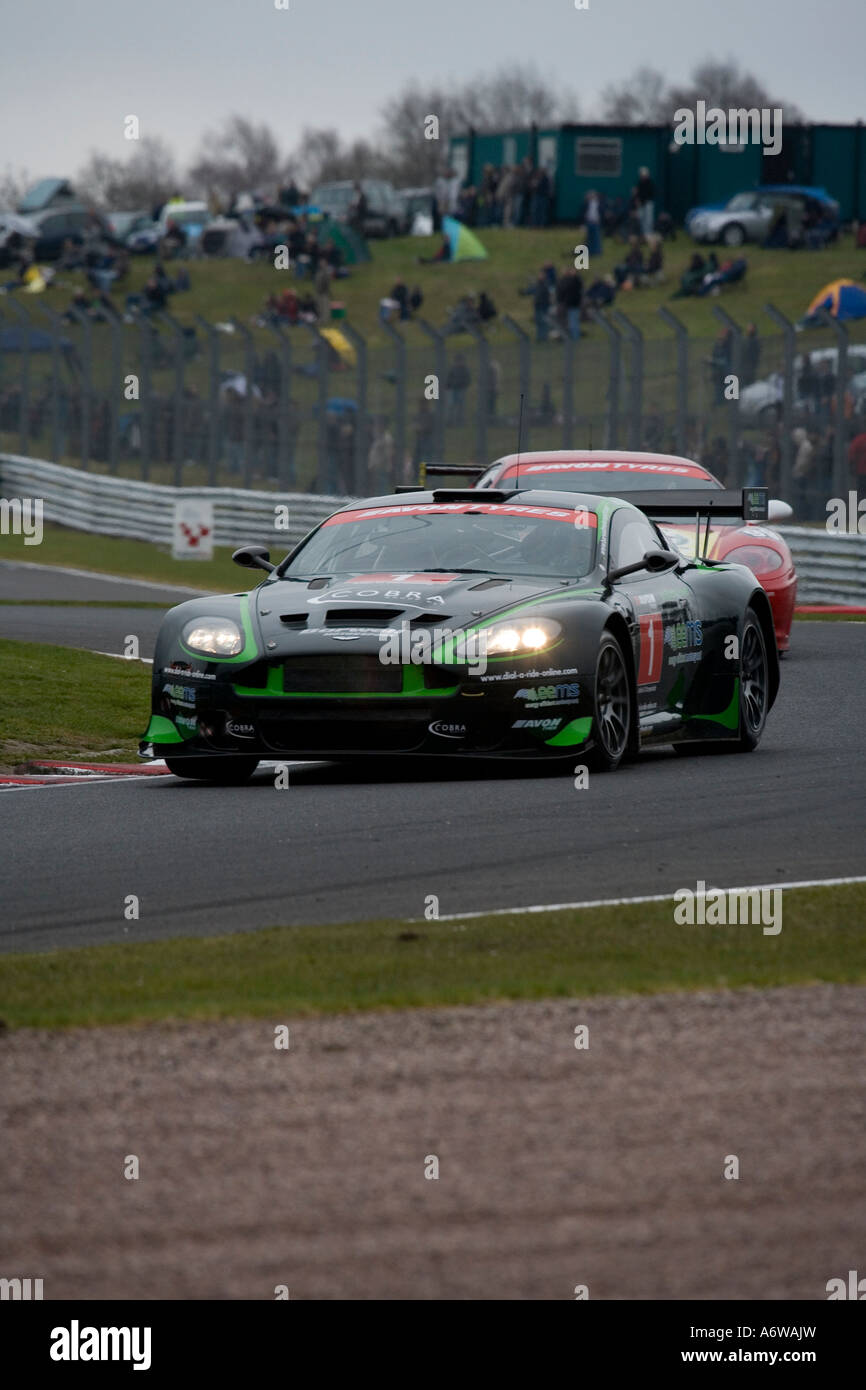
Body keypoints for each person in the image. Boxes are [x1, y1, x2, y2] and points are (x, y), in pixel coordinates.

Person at [556, 268, 583, 340]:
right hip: (568, 305)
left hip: (574, 305)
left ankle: (575, 339)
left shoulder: (576, 281)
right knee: (569, 323)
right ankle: (569, 338)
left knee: (574, 324)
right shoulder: (569, 280)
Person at [446, 353, 471, 425]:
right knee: (451, 406)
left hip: (461, 389)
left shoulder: (465, 369)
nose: (458, 362)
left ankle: (459, 421)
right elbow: (448, 379)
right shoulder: (452, 369)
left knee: (460, 406)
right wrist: (448, 386)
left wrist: (463, 385)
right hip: (452, 390)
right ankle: (450, 421)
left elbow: (467, 380)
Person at [533, 270, 552, 341]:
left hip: (544, 306)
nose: (540, 276)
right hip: (537, 306)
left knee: (544, 323)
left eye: (542, 275)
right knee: (538, 322)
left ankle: (544, 338)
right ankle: (539, 338)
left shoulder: (546, 284)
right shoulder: (538, 284)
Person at [636, 167, 655, 237]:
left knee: (649, 220)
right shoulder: (639, 183)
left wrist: (644, 200)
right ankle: (643, 234)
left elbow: (651, 194)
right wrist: (638, 201)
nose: (643, 176)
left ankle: (649, 234)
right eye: (642, 175)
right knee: (641, 219)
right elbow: (638, 193)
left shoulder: (650, 183)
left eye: (644, 175)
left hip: (648, 203)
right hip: (641, 203)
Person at [583, 189, 602, 259]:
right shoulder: (587, 203)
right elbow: (585, 213)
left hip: (596, 223)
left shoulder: (598, 203)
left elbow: (600, 212)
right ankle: (590, 252)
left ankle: (597, 252)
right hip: (589, 222)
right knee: (589, 238)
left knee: (596, 238)